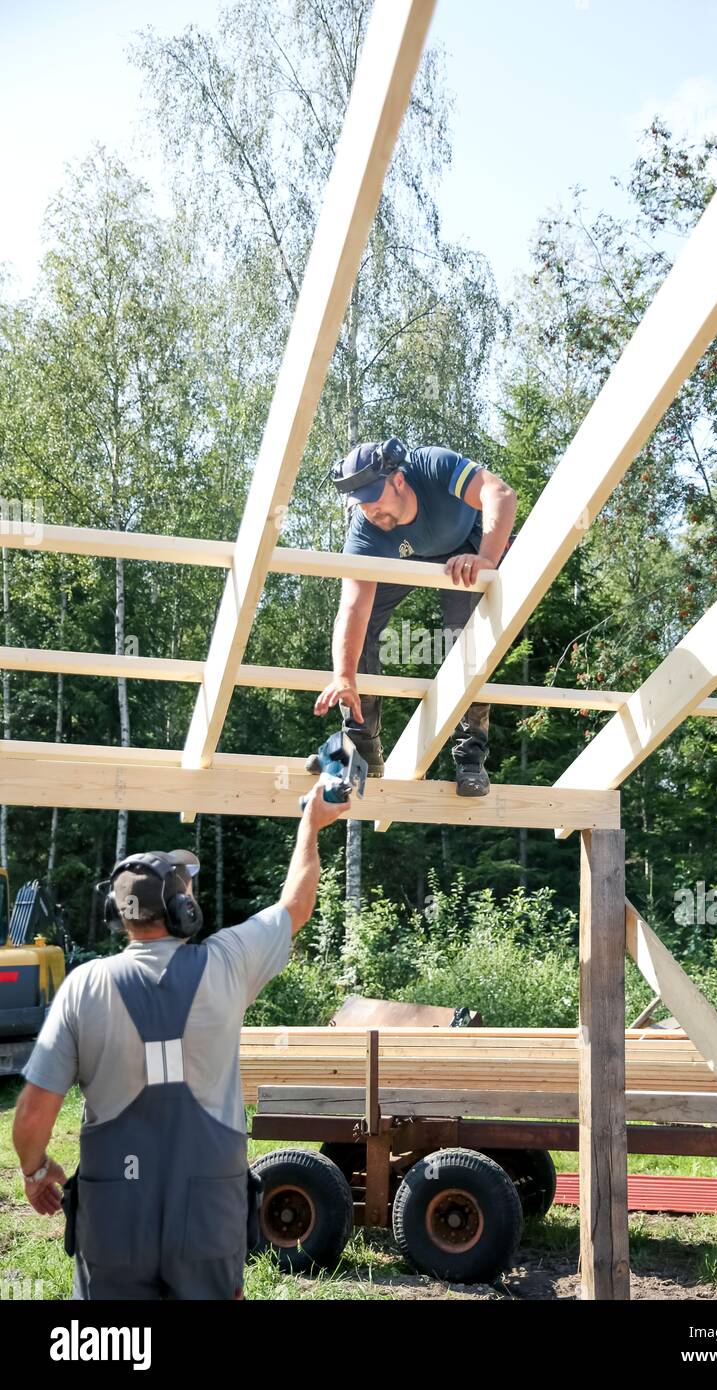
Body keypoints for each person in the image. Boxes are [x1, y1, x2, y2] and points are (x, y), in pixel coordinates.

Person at [12, 784, 348, 1301]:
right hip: (208, 1212)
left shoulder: (84, 986)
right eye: (186, 890)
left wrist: (36, 1171)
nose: (193, 896)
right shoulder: (227, 962)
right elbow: (297, 903)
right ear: (178, 910)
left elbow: (33, 1115)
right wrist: (310, 824)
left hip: (114, 1215)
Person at [314, 438, 517, 796]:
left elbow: (499, 493)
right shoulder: (366, 532)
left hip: (465, 548)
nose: (371, 510)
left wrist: (486, 558)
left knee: (467, 638)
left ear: (399, 480)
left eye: (375, 497)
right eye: (361, 504)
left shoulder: (431, 465)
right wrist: (343, 676)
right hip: (408, 559)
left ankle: (470, 757)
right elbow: (352, 608)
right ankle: (362, 745)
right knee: (364, 626)